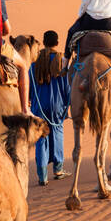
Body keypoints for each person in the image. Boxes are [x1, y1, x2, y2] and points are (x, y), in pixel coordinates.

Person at [31, 30, 72, 185]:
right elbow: (67, 87)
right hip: (57, 105)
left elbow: (30, 85)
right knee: (57, 133)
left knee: (41, 137)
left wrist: (30, 101)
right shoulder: (61, 61)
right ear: (57, 42)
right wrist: (68, 105)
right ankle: (58, 170)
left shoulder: (35, 62)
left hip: (39, 104)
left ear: (44, 41)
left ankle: (42, 176)